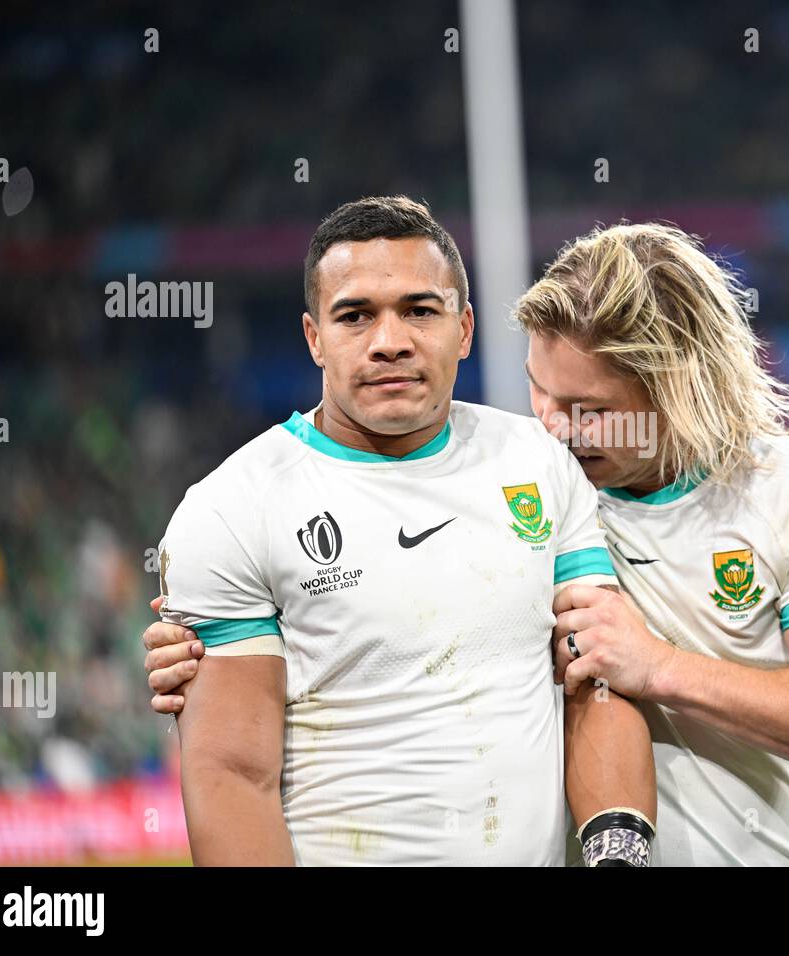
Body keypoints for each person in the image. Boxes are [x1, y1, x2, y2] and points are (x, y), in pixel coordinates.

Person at [149, 219, 789, 866]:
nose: (552, 425)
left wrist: (661, 668)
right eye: (538, 390)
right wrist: (211, 639)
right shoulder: (528, 476)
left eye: (585, 407)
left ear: (676, 387)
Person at [148, 196, 655, 866]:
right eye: (355, 315)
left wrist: (618, 851)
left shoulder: (540, 463)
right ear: (314, 337)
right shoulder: (233, 509)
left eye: (420, 310)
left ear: (464, 327)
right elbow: (233, 775)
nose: (390, 340)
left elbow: (598, 680)